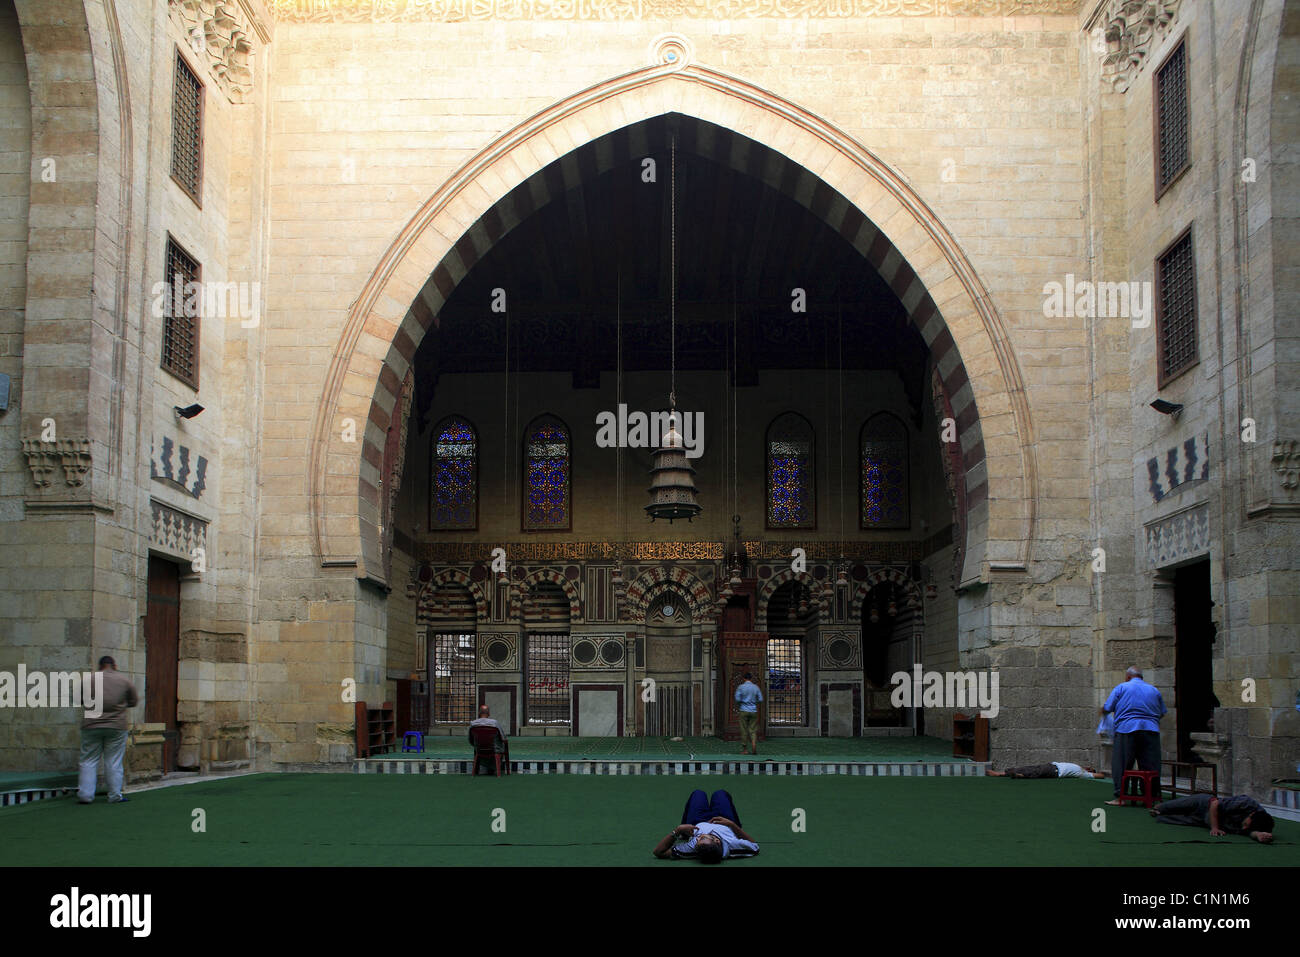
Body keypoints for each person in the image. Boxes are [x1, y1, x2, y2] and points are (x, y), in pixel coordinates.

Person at [1100, 666, 1166, 806]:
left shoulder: (1122, 688)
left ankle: (1120, 796)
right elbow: (1162, 712)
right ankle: (1152, 796)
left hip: (1127, 729)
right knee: (1150, 765)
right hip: (1151, 730)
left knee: (1122, 764)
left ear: (1128, 676)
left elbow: (1107, 707)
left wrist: (1104, 714)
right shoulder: (1154, 690)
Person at [78, 656, 139, 805]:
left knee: (88, 760)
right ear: (114, 665)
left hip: (91, 725)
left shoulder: (88, 680)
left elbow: (79, 699)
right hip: (116, 726)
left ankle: (85, 795)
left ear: (100, 666)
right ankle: (114, 795)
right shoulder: (124, 681)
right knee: (114, 761)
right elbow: (134, 701)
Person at [652, 789, 760, 862]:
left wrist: (678, 830)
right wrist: (732, 825)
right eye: (703, 837)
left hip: (697, 821)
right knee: (720, 793)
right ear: (717, 841)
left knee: (698, 793)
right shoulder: (734, 846)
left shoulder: (692, 849)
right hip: (724, 820)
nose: (698, 837)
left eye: (698, 839)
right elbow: (754, 846)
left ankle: (684, 834)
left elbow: (658, 852)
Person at [1150, 793, 1275, 844]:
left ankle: (1159, 814)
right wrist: (1215, 828)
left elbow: (1250, 832)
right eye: (1247, 824)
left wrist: (1259, 835)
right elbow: (1215, 804)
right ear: (1251, 815)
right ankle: (1159, 808)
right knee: (1167, 807)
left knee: (1171, 819)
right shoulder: (1247, 803)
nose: (1245, 827)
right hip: (1205, 804)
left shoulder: (1259, 822)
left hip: (1207, 820)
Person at [735, 672, 763, 755]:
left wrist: (742, 702)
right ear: (751, 678)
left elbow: (737, 698)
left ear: (744, 678)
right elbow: (760, 699)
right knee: (753, 730)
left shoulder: (741, 687)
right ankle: (754, 744)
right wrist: (753, 702)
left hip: (743, 710)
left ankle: (745, 749)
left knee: (744, 730)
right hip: (753, 710)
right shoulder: (755, 687)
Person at [987, 761, 1106, 779]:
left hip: (1055, 771)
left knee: (1034, 772)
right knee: (1029, 768)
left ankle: (999, 774)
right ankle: (1013, 773)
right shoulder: (1078, 767)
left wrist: (1096, 773)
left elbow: (1101, 775)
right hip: (1052, 766)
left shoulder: (1082, 773)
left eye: (1091, 769)